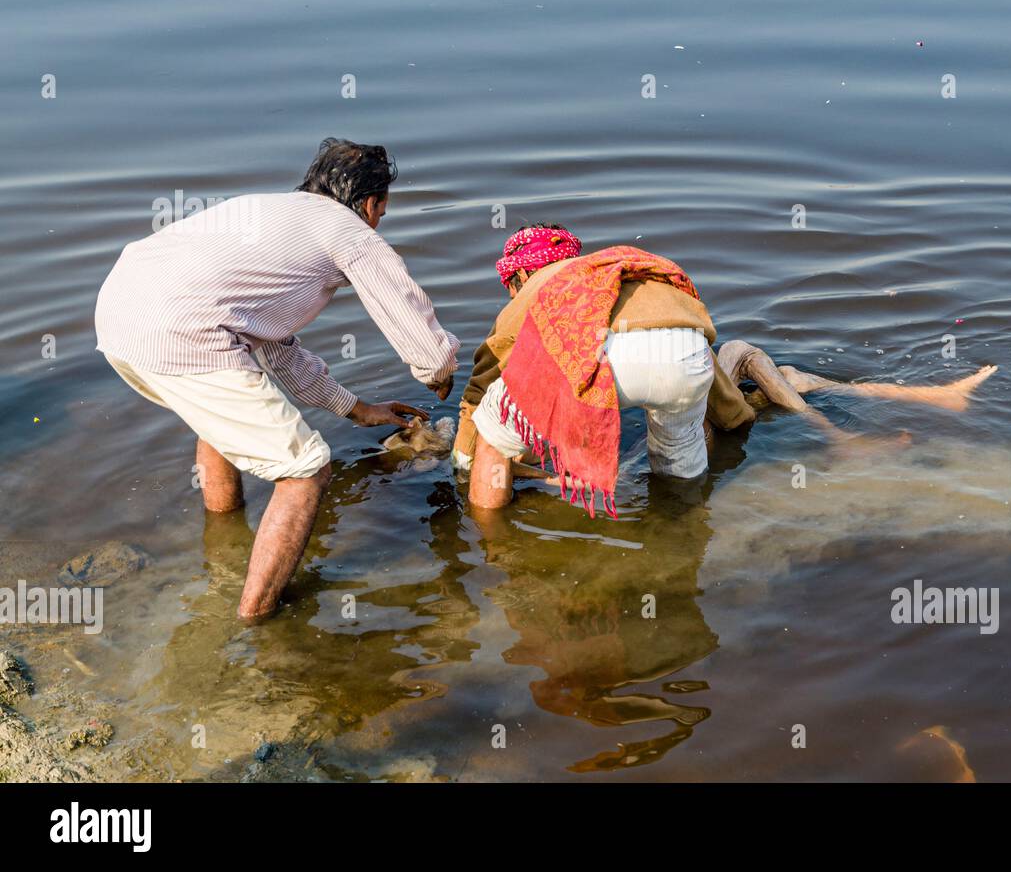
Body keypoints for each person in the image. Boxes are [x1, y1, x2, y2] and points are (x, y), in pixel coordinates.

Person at [94, 138, 459, 618]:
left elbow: (277, 351)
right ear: (371, 203)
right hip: (183, 331)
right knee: (305, 469)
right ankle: (257, 619)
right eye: (381, 214)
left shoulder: (271, 214)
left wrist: (356, 409)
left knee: (218, 421)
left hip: (120, 318)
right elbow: (417, 333)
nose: (377, 223)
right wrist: (439, 372)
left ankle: (224, 540)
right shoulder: (351, 232)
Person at [454, 226, 755, 516]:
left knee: (493, 422)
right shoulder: (621, 270)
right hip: (687, 355)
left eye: (509, 286)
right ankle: (682, 527)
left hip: (617, 359)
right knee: (678, 466)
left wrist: (465, 459)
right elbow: (704, 359)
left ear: (520, 274)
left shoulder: (540, 285)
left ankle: (488, 536)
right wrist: (737, 418)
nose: (510, 296)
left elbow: (485, 382)